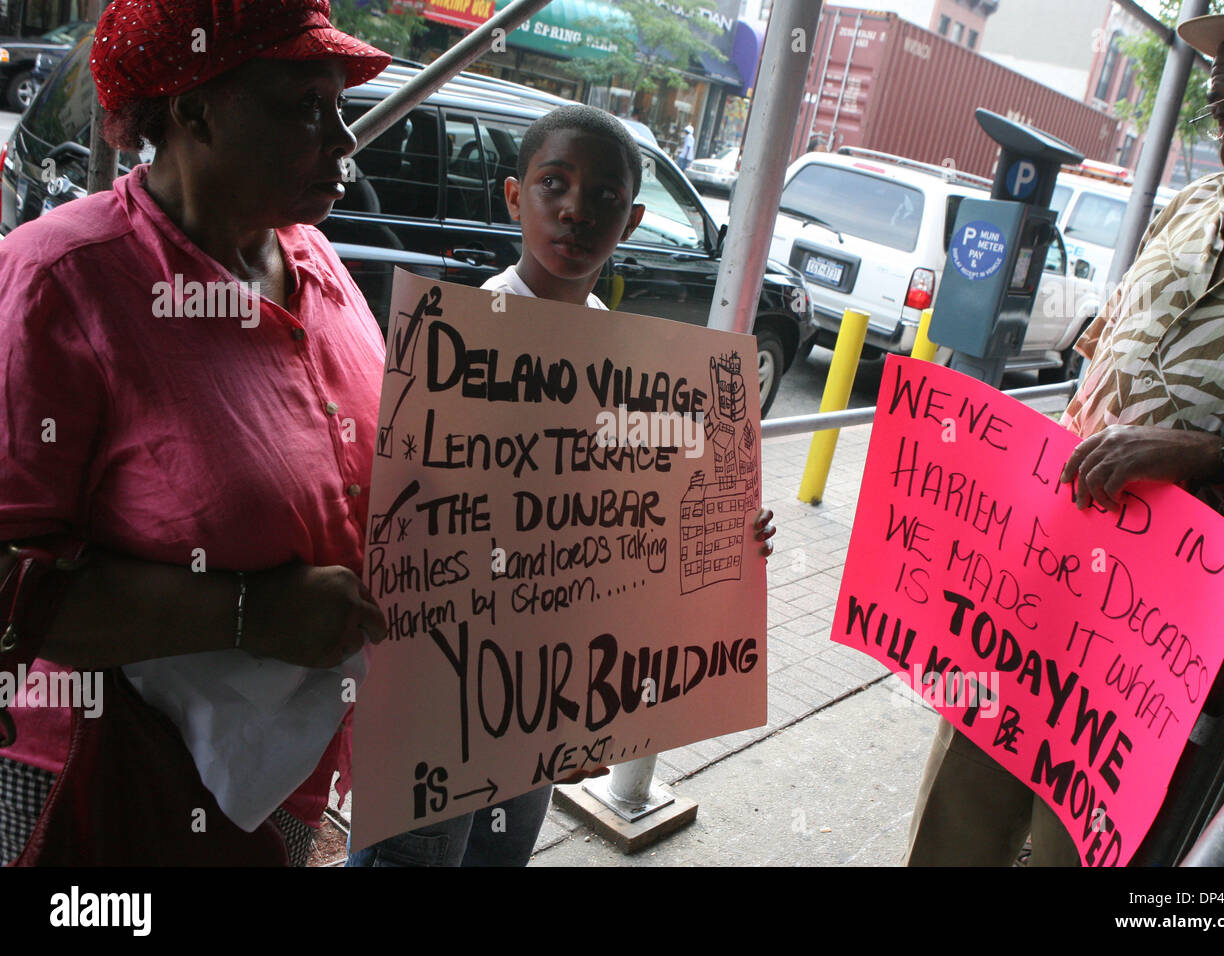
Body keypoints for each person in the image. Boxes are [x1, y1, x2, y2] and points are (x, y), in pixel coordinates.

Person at [903, 0, 1224, 867]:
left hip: (1170, 642)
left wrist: (1211, 457)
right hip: (1045, 584)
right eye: (1220, 104)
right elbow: (1099, 366)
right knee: (958, 810)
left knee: (1079, 847)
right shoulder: (1193, 206)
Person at [0, 0, 390, 865]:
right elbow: (7, 583)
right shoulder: (60, 280)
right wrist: (248, 612)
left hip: (280, 779)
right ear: (193, 107)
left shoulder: (316, 261)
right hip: (99, 786)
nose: (345, 139)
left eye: (340, 105)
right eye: (306, 107)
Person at [346, 105, 778, 866]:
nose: (577, 210)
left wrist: (729, 529)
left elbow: (642, 502)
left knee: (497, 852)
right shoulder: (460, 346)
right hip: (444, 691)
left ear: (635, 218)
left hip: (545, 694)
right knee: (414, 857)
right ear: (515, 198)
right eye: (555, 184)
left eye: (606, 197)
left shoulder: (619, 351)